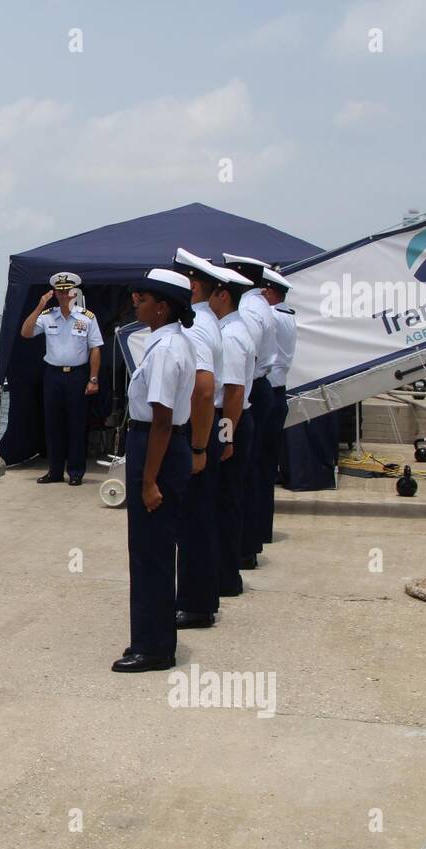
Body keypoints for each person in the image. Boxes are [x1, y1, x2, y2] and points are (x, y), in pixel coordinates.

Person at [112, 269, 196, 674]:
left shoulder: (165, 349)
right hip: (161, 444)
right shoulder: (172, 341)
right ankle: (153, 638)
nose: (136, 305)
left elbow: (162, 417)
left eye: (142, 300)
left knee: (151, 552)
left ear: (162, 307)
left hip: (155, 445)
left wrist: (148, 481)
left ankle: (154, 647)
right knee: (154, 550)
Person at [170, 249, 238, 630]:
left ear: (193, 284)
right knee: (201, 515)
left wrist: (197, 447)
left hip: (197, 428)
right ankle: (203, 596)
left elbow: (204, 388)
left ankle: (195, 603)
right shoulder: (211, 322)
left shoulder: (196, 326)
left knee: (192, 519)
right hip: (209, 427)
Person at [20, 271, 103, 486]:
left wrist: (93, 379)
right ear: (54, 292)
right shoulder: (47, 316)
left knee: (76, 424)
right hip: (53, 375)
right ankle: (55, 471)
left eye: (67, 291)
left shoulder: (87, 317)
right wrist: (39, 306)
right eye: (60, 291)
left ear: (74, 292)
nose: (64, 295)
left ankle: (75, 472)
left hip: (78, 375)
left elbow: (95, 349)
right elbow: (26, 333)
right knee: (53, 425)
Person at [222, 253, 278, 570]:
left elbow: (234, 385)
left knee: (240, 479)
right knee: (253, 474)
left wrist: (225, 435)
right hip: (255, 388)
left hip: (247, 393)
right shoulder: (260, 308)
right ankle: (250, 543)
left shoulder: (245, 314)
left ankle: (242, 549)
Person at [210, 265, 255, 597]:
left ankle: (225, 578)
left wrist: (226, 436)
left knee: (224, 503)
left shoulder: (231, 335)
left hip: (231, 422)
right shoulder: (231, 329)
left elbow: (234, 391)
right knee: (223, 501)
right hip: (231, 421)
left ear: (222, 295)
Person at [262, 267, 296, 544]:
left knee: (256, 467)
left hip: (267, 393)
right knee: (265, 467)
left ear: (271, 292)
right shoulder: (286, 315)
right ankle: (262, 528)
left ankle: (257, 530)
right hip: (278, 392)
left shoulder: (271, 316)